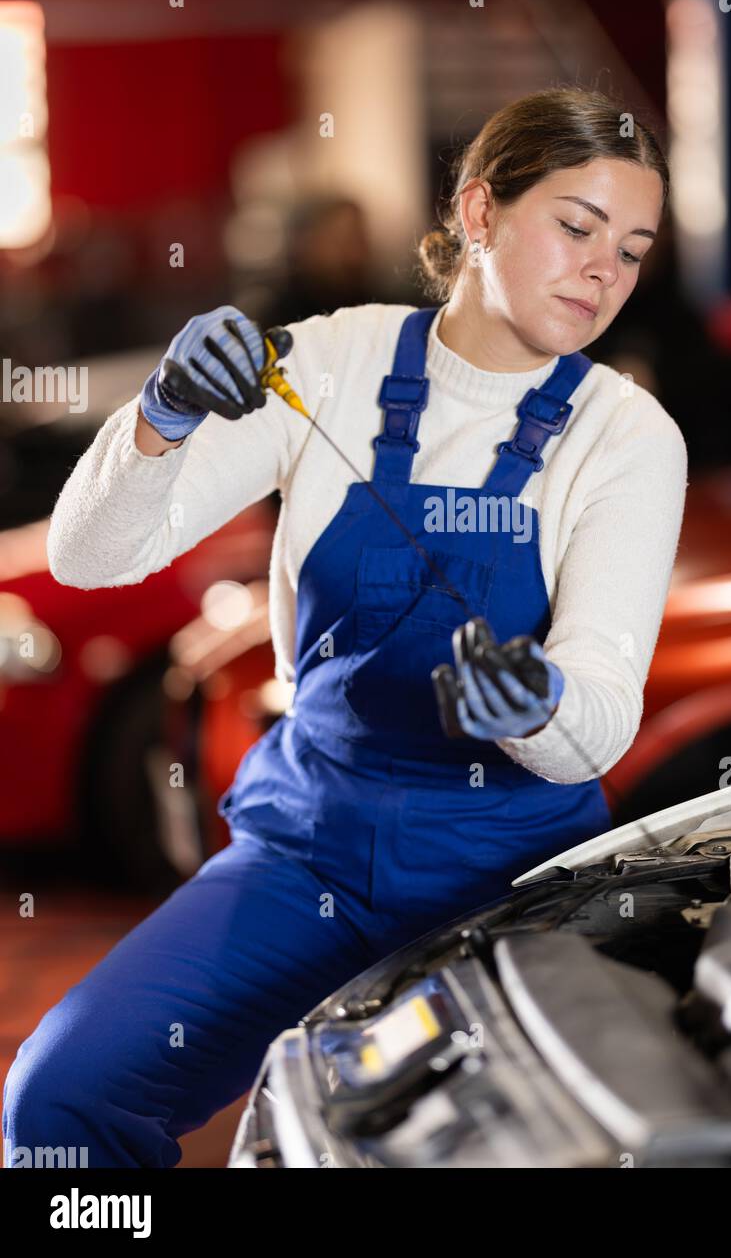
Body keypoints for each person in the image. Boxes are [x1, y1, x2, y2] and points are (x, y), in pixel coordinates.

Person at [3, 85, 688, 1168]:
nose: (605, 271)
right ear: (478, 213)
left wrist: (538, 708)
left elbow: (598, 714)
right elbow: (93, 557)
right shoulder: (327, 363)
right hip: (307, 855)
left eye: (635, 248)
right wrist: (161, 418)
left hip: (502, 875)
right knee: (58, 1101)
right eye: (577, 226)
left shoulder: (625, 436)